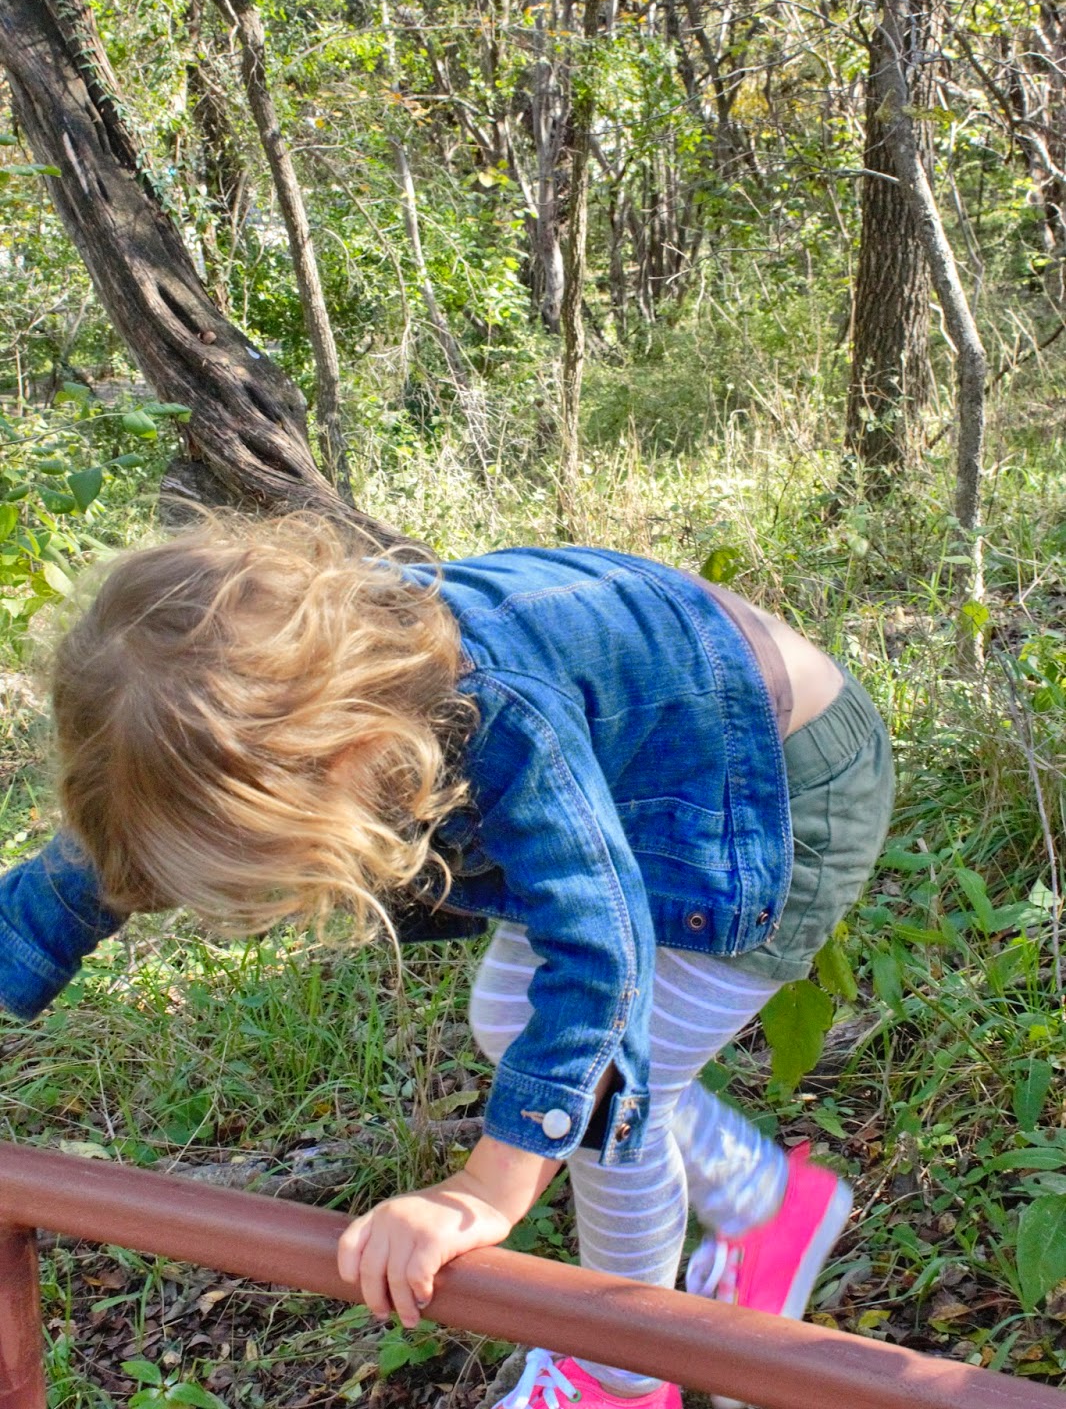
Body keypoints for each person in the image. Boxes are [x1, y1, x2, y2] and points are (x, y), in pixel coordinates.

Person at [0, 517, 893, 1409]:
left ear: (345, 753)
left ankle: (623, 1377)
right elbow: (90, 871)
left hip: (769, 790)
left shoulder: (501, 717)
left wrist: (484, 1192)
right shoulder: (182, 735)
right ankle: (769, 1205)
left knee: (612, 1090)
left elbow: (599, 970)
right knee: (514, 1024)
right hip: (668, 754)